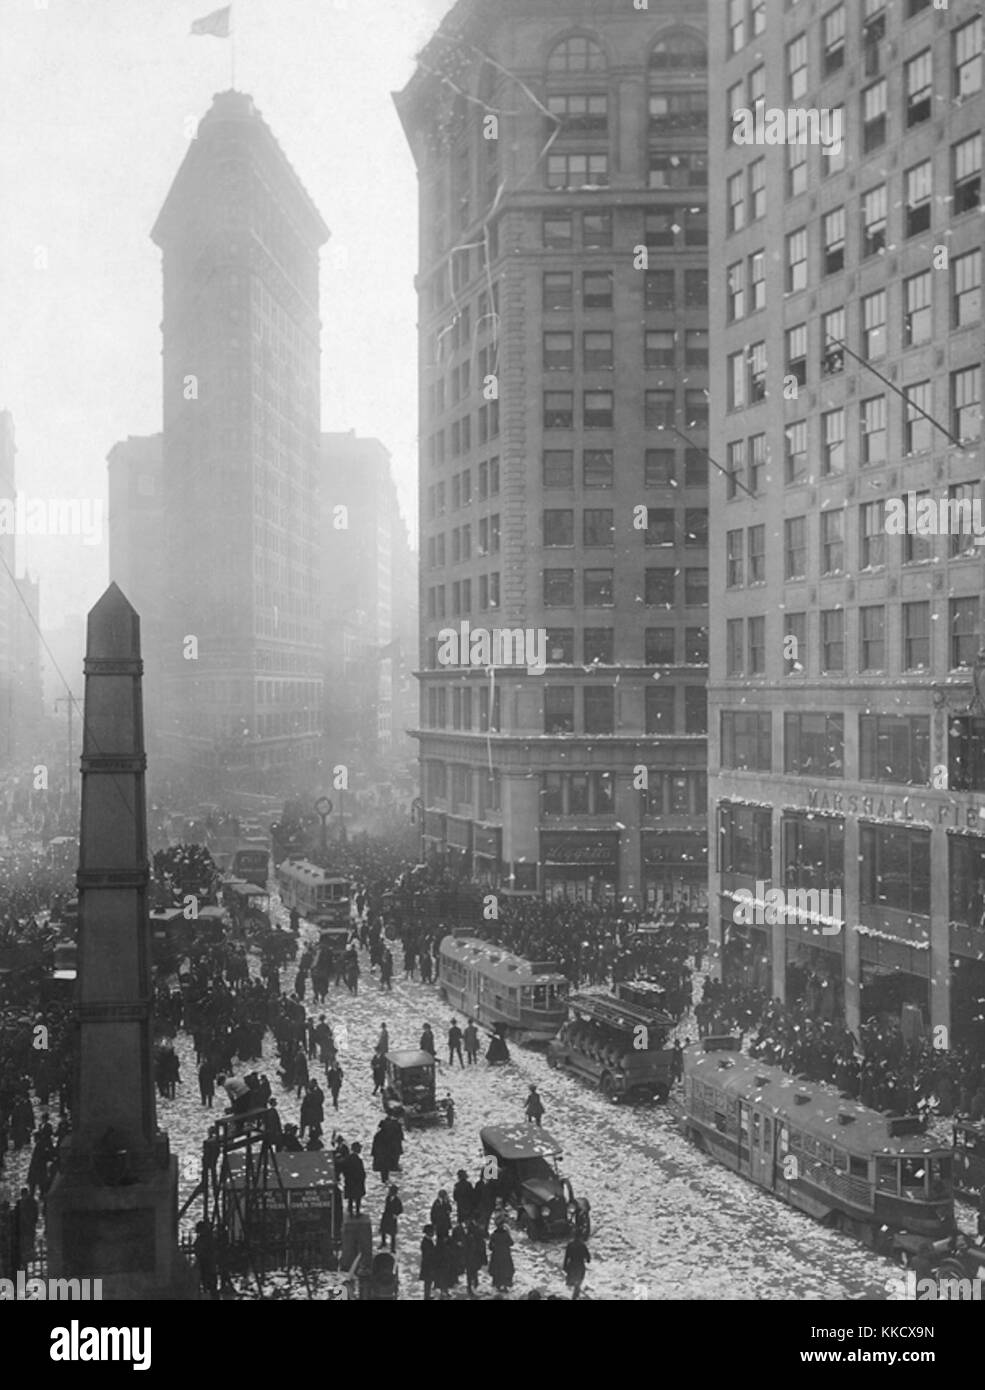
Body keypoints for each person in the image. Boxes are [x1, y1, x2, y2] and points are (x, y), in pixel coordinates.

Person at [488, 1217, 515, 1293]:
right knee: (506, 1270)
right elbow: (511, 1243)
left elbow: (490, 1247)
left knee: (497, 1271)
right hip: (505, 1256)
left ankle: (498, 1285)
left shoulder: (493, 1235)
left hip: (496, 1256)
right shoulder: (506, 1234)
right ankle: (505, 1285)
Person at [193, 1220, 218, 1299]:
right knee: (208, 1286)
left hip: (207, 1265)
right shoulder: (205, 1239)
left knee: (210, 1286)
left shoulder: (206, 1239)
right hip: (205, 1265)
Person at [563, 1234, 591, 1300]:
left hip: (572, 1265)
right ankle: (575, 1293)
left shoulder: (570, 1245)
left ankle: (572, 1291)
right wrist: (587, 1259)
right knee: (579, 1279)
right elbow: (588, 1257)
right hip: (580, 1265)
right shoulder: (582, 1245)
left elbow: (566, 1257)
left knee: (572, 1278)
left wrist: (565, 1266)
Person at [464, 1219, 487, 1296]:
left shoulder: (469, 1236)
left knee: (471, 1274)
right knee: (472, 1274)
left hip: (471, 1258)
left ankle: (472, 1288)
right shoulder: (476, 1237)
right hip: (473, 1258)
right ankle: (472, 1288)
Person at [343, 1141, 366, 1216]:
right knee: (357, 1197)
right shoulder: (358, 1160)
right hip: (357, 1182)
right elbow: (360, 1172)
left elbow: (345, 1170)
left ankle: (350, 1211)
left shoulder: (348, 1158)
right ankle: (357, 1212)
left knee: (351, 1197)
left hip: (350, 1181)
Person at [380, 1183, 403, 1252]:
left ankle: (392, 1248)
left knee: (392, 1233)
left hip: (392, 1218)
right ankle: (383, 1243)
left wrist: (396, 1214)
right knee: (383, 1231)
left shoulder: (398, 1201)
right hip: (386, 1216)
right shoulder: (387, 1198)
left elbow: (401, 1209)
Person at [419, 1224, 437, 1300]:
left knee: (429, 1282)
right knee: (428, 1281)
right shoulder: (426, 1242)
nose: (433, 1233)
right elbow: (428, 1254)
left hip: (428, 1265)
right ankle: (426, 1296)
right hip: (428, 1265)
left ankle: (427, 1295)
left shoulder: (428, 1241)